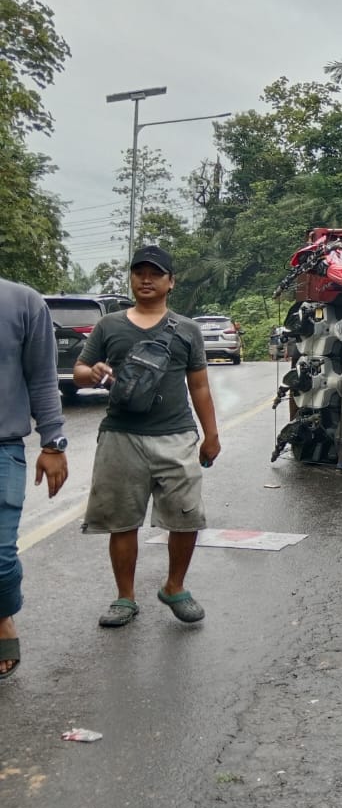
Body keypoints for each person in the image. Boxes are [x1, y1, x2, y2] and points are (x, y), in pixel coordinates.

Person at [74, 245, 220, 627]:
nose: (146, 279)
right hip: (121, 435)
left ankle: (174, 586)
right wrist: (92, 373)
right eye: (139, 272)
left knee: (187, 517)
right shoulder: (110, 326)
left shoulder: (187, 329)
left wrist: (212, 435)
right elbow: (79, 370)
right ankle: (125, 598)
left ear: (171, 282)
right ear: (132, 279)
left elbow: (200, 387)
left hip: (176, 435)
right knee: (122, 521)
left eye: (155, 273)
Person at [0, 277, 69, 679]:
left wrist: (53, 443)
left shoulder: (24, 302)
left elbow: (43, 378)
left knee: (1, 559)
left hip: (4, 447)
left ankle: (3, 614)